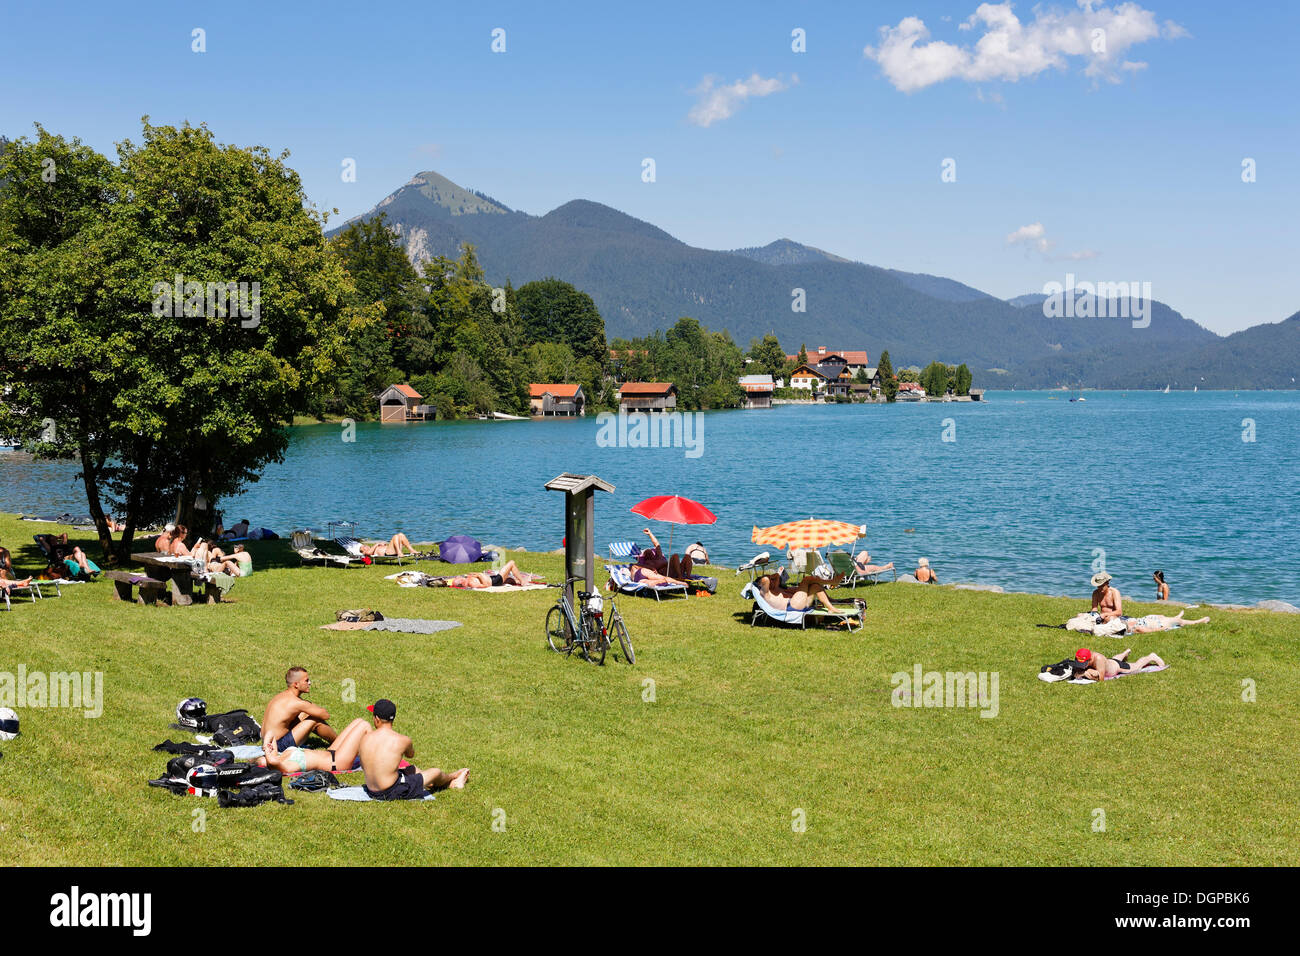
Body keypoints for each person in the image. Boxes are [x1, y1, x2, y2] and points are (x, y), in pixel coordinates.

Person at [359, 699, 468, 800]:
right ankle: (453, 778)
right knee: (435, 772)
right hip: (391, 792)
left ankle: (437, 782)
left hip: (371, 789)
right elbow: (410, 755)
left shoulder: (365, 738)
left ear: (377, 719)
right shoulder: (402, 740)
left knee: (411, 769)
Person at [258, 717, 373, 775]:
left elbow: (270, 733)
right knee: (364, 726)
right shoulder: (285, 766)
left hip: (331, 752)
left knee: (359, 721)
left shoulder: (279, 756)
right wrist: (268, 754)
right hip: (336, 762)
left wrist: (266, 745)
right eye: (265, 760)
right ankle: (378, 761)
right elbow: (273, 761)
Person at [262, 667, 338, 753]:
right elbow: (325, 715)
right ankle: (339, 743)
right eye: (306, 680)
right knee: (314, 719)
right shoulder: (297, 702)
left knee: (304, 714)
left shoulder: (281, 696)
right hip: (277, 746)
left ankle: (337, 741)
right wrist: (308, 704)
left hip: (267, 741)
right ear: (296, 684)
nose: (310, 683)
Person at [757, 568, 859, 621]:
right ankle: (833, 582)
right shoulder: (765, 593)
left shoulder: (778, 589)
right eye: (772, 580)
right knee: (806, 579)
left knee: (815, 586)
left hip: (799, 604)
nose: (773, 580)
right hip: (792, 606)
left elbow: (778, 580)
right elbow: (765, 579)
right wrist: (771, 576)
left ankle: (830, 608)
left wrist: (778, 576)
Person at [1075, 646, 1166, 681]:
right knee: (1114, 659)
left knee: (1137, 666)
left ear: (1090, 659)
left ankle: (1151, 656)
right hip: (1111, 662)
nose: (1083, 666)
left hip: (1117, 667)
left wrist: (1087, 673)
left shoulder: (1098, 659)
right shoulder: (1082, 655)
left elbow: (1101, 679)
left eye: (1085, 664)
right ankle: (1125, 653)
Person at [447, 560, 544, 588]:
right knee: (511, 563)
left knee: (511, 580)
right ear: (460, 581)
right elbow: (486, 585)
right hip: (495, 581)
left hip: (494, 579)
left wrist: (477, 575)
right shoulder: (470, 583)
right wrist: (479, 575)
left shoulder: (468, 580)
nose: (458, 576)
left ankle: (521, 580)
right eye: (458, 578)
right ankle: (523, 582)